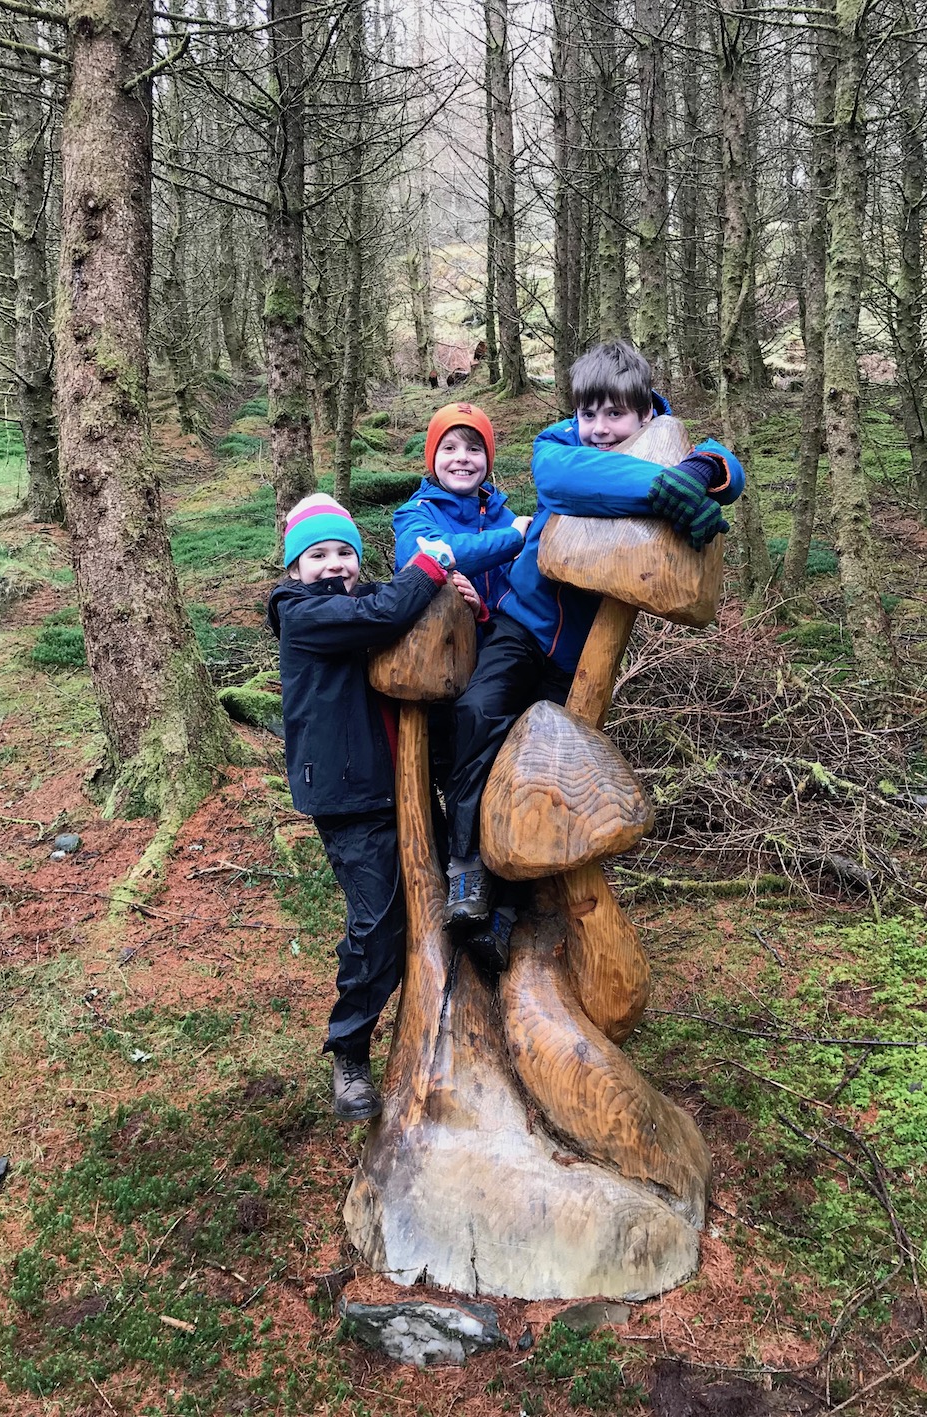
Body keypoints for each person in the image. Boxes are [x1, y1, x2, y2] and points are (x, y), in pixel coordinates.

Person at [440, 340, 746, 962]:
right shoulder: (559, 448)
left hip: (579, 660)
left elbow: (724, 466)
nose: (600, 430)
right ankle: (467, 864)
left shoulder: (670, 442)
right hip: (521, 626)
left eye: (615, 416)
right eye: (590, 414)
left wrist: (709, 471)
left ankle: (504, 913)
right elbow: (567, 480)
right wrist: (667, 484)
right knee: (476, 718)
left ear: (643, 413)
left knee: (547, 781)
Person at [267, 492, 477, 1122]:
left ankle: (440, 1029)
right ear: (294, 568)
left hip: (407, 790)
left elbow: (412, 623)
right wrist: (431, 569)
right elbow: (390, 611)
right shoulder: (304, 615)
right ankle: (350, 1050)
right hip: (352, 799)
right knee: (378, 925)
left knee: (442, 905)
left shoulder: (365, 603)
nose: (334, 565)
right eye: (317, 555)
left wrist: (464, 602)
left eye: (344, 553)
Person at [393, 401, 532, 614]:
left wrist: (482, 612)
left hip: (501, 641)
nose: (462, 458)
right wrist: (511, 538)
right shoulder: (414, 513)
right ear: (433, 456)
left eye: (474, 449)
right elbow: (426, 558)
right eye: (449, 448)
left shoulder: (505, 518)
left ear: (488, 459)